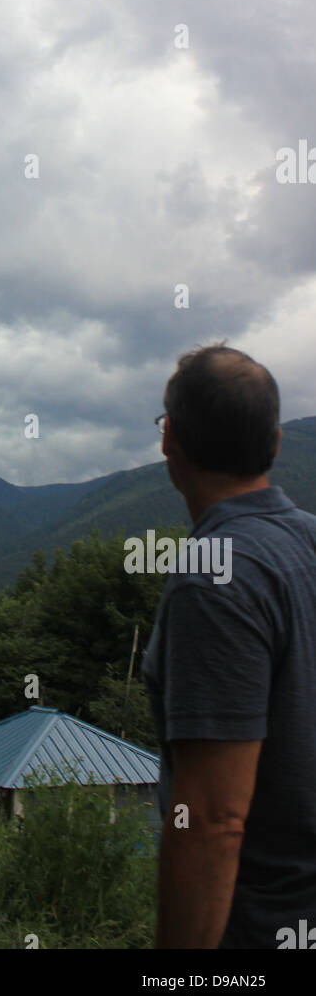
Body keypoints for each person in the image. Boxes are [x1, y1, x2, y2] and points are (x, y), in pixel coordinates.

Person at [141, 341, 316, 948]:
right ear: (273, 443)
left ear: (170, 442)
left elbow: (215, 821)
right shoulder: (308, 543)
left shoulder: (213, 579)